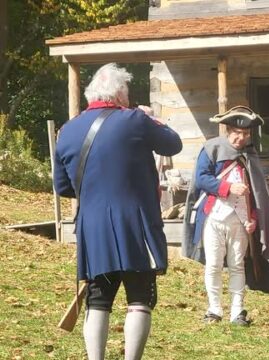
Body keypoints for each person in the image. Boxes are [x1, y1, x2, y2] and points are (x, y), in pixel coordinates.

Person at [53, 63, 182, 360]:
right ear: (121, 94)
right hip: (134, 222)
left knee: (98, 299)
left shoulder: (68, 130)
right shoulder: (135, 119)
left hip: (92, 225)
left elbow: (63, 187)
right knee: (139, 298)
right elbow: (173, 144)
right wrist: (153, 118)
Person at [183, 105, 269, 326]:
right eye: (238, 133)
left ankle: (237, 311)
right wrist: (226, 188)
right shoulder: (212, 148)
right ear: (228, 131)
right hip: (214, 217)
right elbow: (201, 179)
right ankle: (214, 309)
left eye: (246, 134)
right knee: (214, 265)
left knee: (237, 265)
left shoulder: (250, 154)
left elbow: (256, 192)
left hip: (242, 220)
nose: (241, 137)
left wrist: (254, 216)